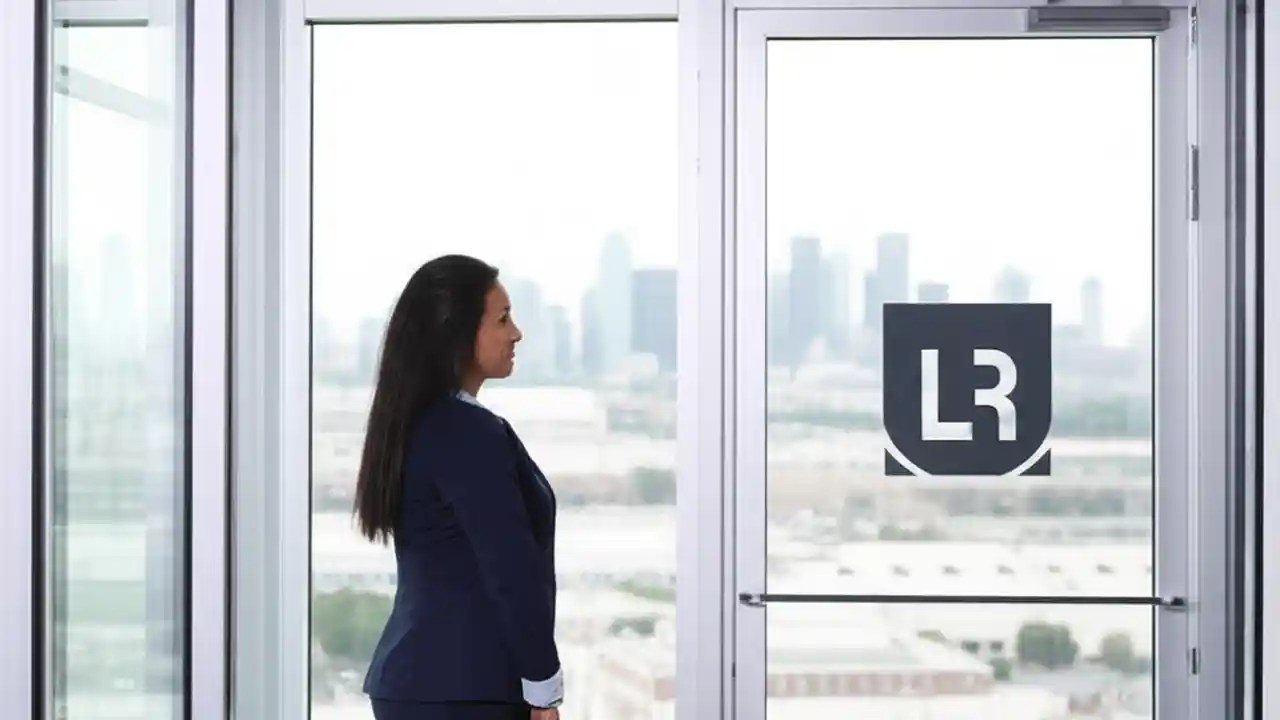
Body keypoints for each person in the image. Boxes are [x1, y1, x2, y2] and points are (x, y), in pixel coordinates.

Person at [355, 255, 562, 720]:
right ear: (457, 332)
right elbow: (510, 569)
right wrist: (544, 689)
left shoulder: (419, 423)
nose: (516, 333)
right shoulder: (467, 433)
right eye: (503, 319)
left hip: (427, 681)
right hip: (463, 689)